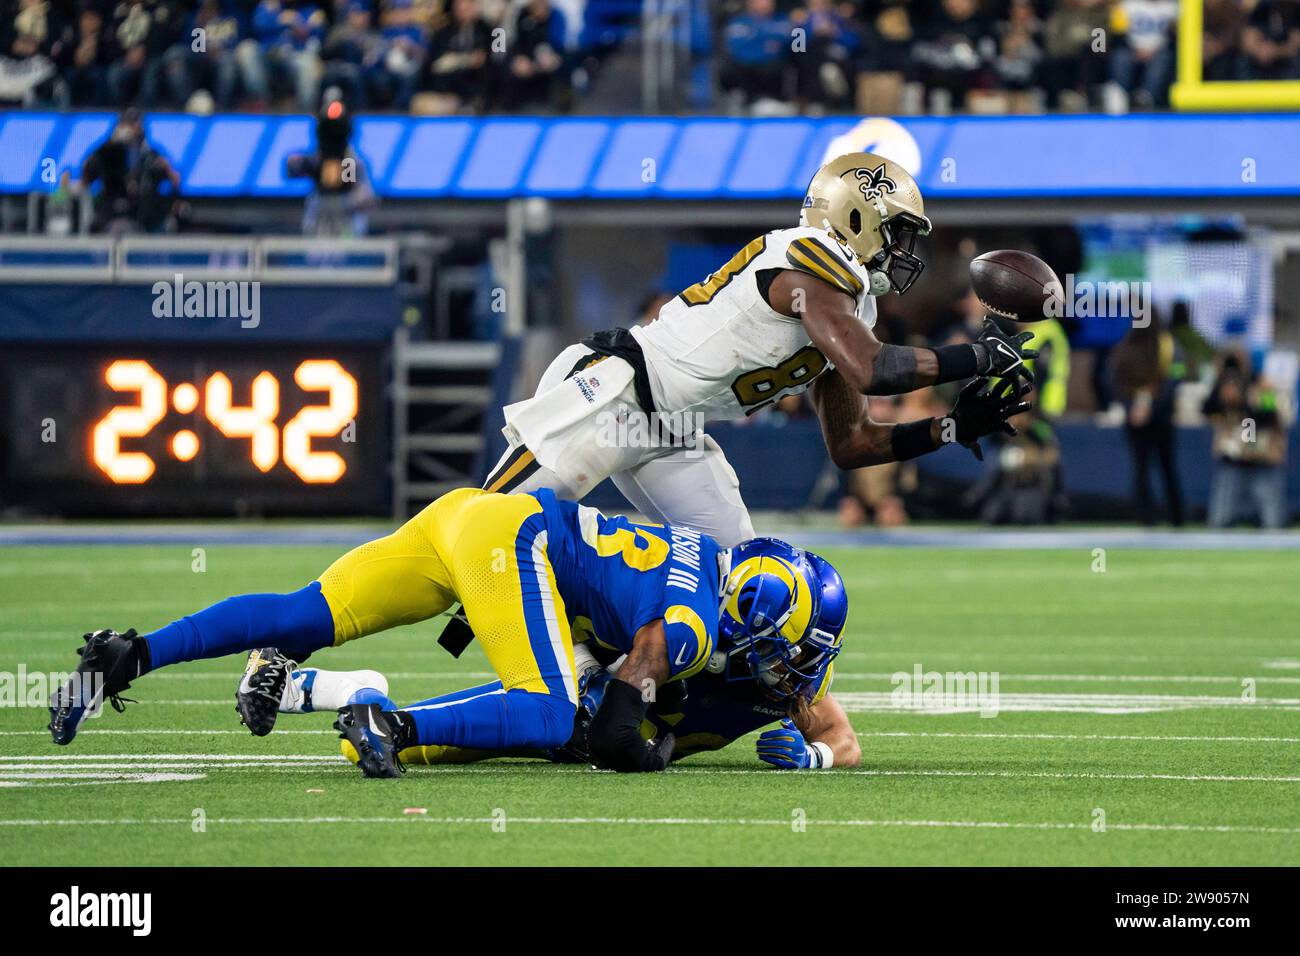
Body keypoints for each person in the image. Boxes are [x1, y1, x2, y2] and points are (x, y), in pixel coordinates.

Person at [436, 150, 1034, 654]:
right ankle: (346, 611)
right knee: (472, 533)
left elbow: (854, 445)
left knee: (737, 577)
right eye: (898, 230)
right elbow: (873, 368)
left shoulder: (853, 306)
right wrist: (974, 358)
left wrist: (951, 428)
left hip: (675, 431)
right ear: (856, 217)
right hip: (618, 394)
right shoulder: (809, 259)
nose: (905, 248)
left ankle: (616, 677)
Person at [49, 486, 837, 778]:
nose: (790, 669)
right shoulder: (697, 625)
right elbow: (616, 737)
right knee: (551, 710)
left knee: (300, 616)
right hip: (516, 542)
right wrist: (647, 747)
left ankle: (130, 654)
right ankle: (384, 721)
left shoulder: (712, 572)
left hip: (467, 513)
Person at [248, 539, 859, 770]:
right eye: (789, 652)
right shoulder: (685, 617)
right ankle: (356, 694)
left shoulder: (778, 676)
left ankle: (340, 692)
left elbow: (843, 738)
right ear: (747, 626)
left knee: (374, 742)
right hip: (562, 696)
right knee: (369, 746)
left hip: (577, 738)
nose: (797, 672)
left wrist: (816, 758)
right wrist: (592, 669)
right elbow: (573, 601)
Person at [1202, 351, 1290, 529]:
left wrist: (1246, 402)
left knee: (1272, 519)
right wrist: (1224, 399)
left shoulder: (1263, 384)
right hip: (1234, 456)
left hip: (1262, 456)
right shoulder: (1223, 383)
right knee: (1220, 518)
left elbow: (1270, 416)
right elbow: (1207, 409)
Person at [1110, 318, 1184, 526]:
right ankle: (1151, 516)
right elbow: (1115, 381)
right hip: (1153, 416)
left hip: (1156, 416)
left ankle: (1167, 516)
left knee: (1157, 466)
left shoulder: (1163, 346)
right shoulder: (1161, 345)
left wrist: (1143, 407)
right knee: (1149, 466)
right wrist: (1136, 406)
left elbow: (1175, 377)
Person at [79, 107, 180, 234]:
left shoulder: (150, 154)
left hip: (143, 218)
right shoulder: (107, 152)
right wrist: (112, 142)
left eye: (134, 123)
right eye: (128, 124)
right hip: (110, 215)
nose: (132, 128)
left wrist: (166, 168)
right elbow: (85, 178)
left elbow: (175, 180)